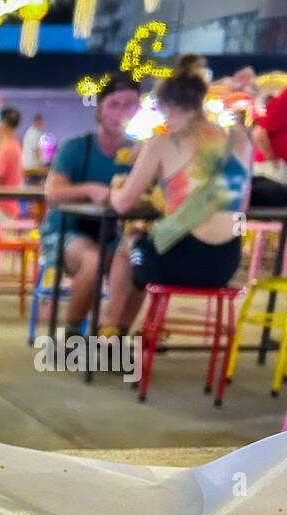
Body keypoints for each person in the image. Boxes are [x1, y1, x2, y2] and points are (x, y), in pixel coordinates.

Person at [103, 56, 251, 335]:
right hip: (226, 263)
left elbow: (123, 204)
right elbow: (241, 203)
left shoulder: (164, 139)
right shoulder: (238, 138)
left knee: (130, 244)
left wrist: (115, 187)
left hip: (178, 262)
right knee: (149, 241)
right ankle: (144, 331)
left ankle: (110, 332)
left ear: (165, 105)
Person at [39, 75, 141, 337]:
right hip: (65, 232)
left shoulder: (138, 154)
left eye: (130, 105)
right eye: (114, 105)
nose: (121, 112)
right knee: (93, 261)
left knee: (143, 262)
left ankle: (114, 332)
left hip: (111, 236)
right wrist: (90, 190)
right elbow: (53, 193)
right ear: (100, 110)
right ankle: (72, 332)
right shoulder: (77, 147)